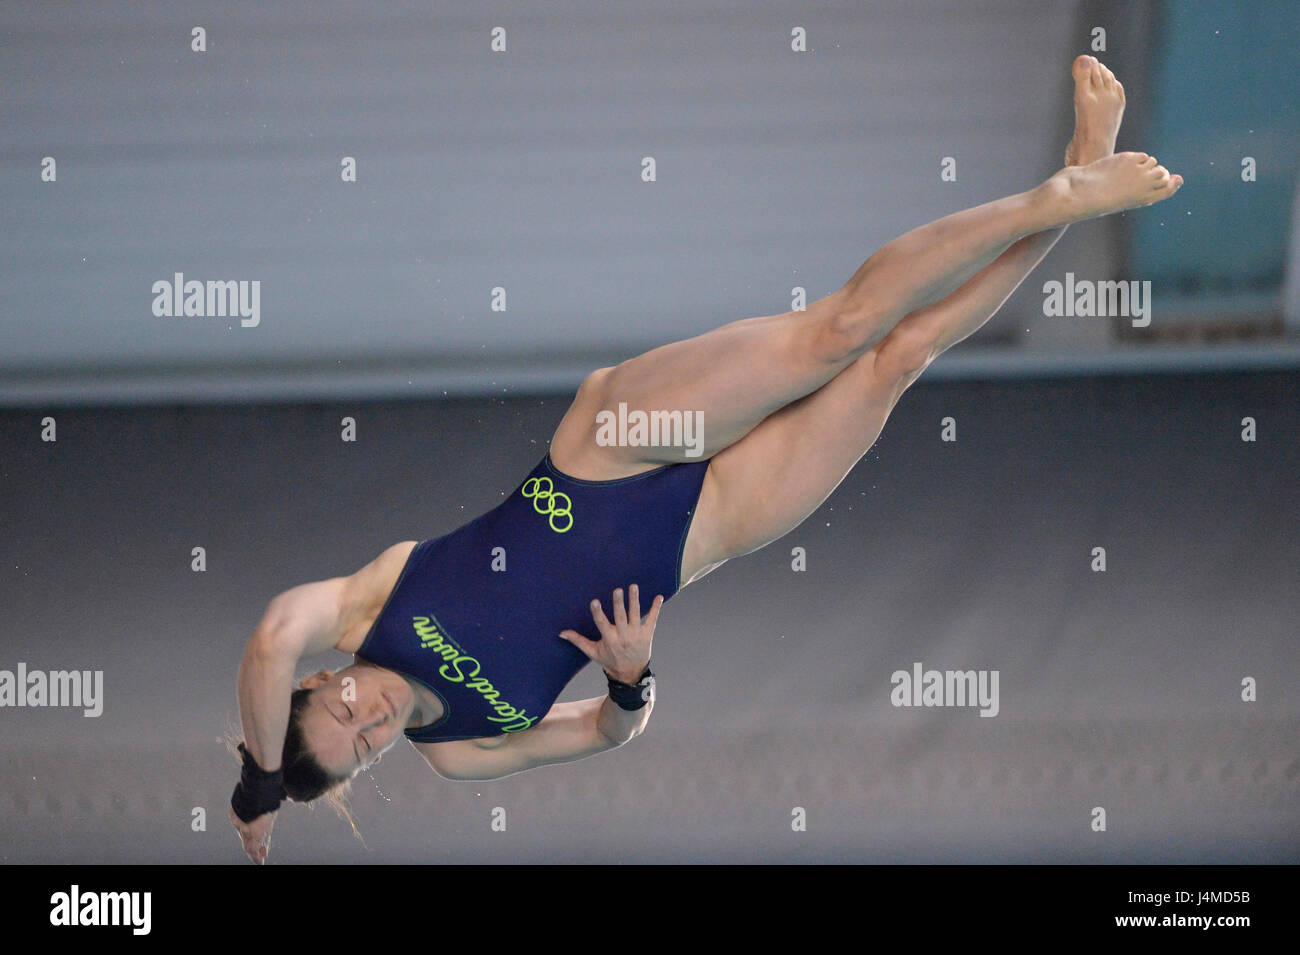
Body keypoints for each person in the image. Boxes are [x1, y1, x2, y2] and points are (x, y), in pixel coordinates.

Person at [230, 56, 1179, 862]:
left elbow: (273, 631)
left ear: (320, 680)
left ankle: (1048, 196)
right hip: (697, 534)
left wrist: (258, 786)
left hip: (611, 453)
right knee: (901, 357)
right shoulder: (463, 750)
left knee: (837, 332)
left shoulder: (365, 605)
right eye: (362, 748)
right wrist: (630, 675)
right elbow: (609, 734)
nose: (371, 718)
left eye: (343, 705)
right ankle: (1080, 182)